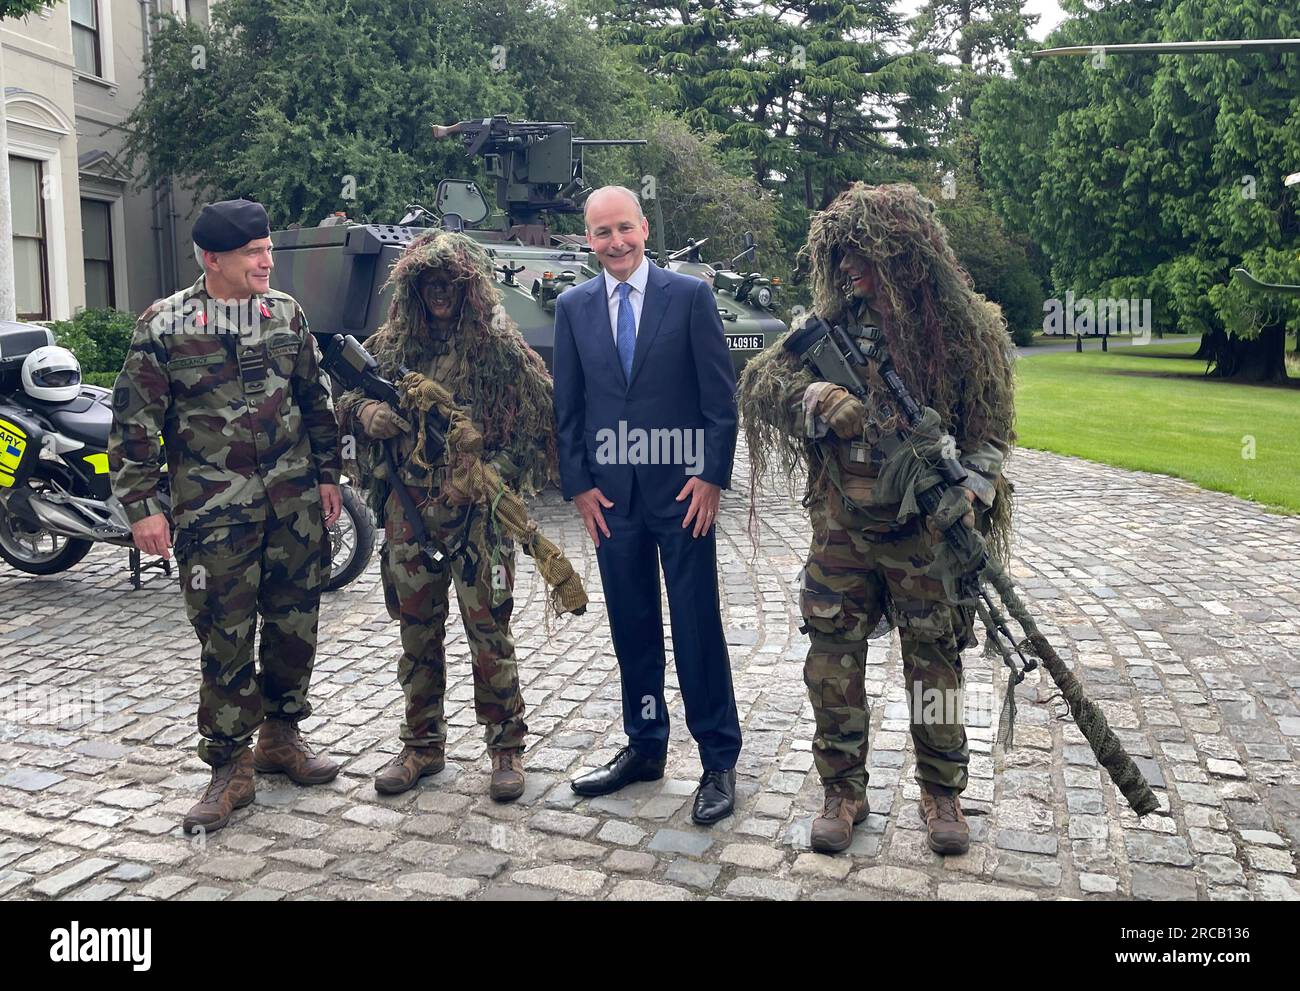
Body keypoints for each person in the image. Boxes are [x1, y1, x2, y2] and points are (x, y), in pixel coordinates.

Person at [738, 183, 1015, 854]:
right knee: (832, 658)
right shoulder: (828, 328)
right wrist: (816, 395)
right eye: (841, 258)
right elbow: (760, 384)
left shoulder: (965, 333)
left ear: (908, 256)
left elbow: (992, 434)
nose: (851, 271)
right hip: (842, 523)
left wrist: (969, 496)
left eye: (864, 256)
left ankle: (942, 791)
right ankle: (843, 790)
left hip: (924, 530)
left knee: (935, 662)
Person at [109, 198, 343, 834]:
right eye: (253, 253)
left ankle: (281, 738)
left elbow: (314, 403)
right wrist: (142, 508)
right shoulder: (165, 325)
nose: (268, 261)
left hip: (292, 504)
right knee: (225, 636)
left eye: (268, 249)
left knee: (295, 623)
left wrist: (329, 476)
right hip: (215, 515)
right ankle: (229, 767)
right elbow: (134, 425)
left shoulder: (286, 315)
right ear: (213, 259)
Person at [336, 230, 556, 802]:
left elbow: (538, 429)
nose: (438, 293)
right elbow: (340, 399)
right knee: (416, 633)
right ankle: (421, 744)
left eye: (448, 283)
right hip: (409, 513)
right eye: (427, 283)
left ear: (467, 288)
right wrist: (366, 413)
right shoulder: (390, 347)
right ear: (412, 288)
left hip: (478, 518)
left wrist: (486, 474)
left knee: (489, 632)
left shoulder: (499, 350)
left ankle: (505, 747)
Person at [553, 185, 743, 824]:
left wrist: (712, 476)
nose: (615, 243)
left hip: (683, 495)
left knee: (696, 630)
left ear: (643, 228)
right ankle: (645, 746)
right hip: (612, 500)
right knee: (632, 630)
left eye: (625, 229)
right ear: (589, 239)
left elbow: (720, 400)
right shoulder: (572, 307)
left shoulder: (688, 297)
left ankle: (718, 759)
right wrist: (579, 486)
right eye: (602, 233)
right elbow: (569, 406)